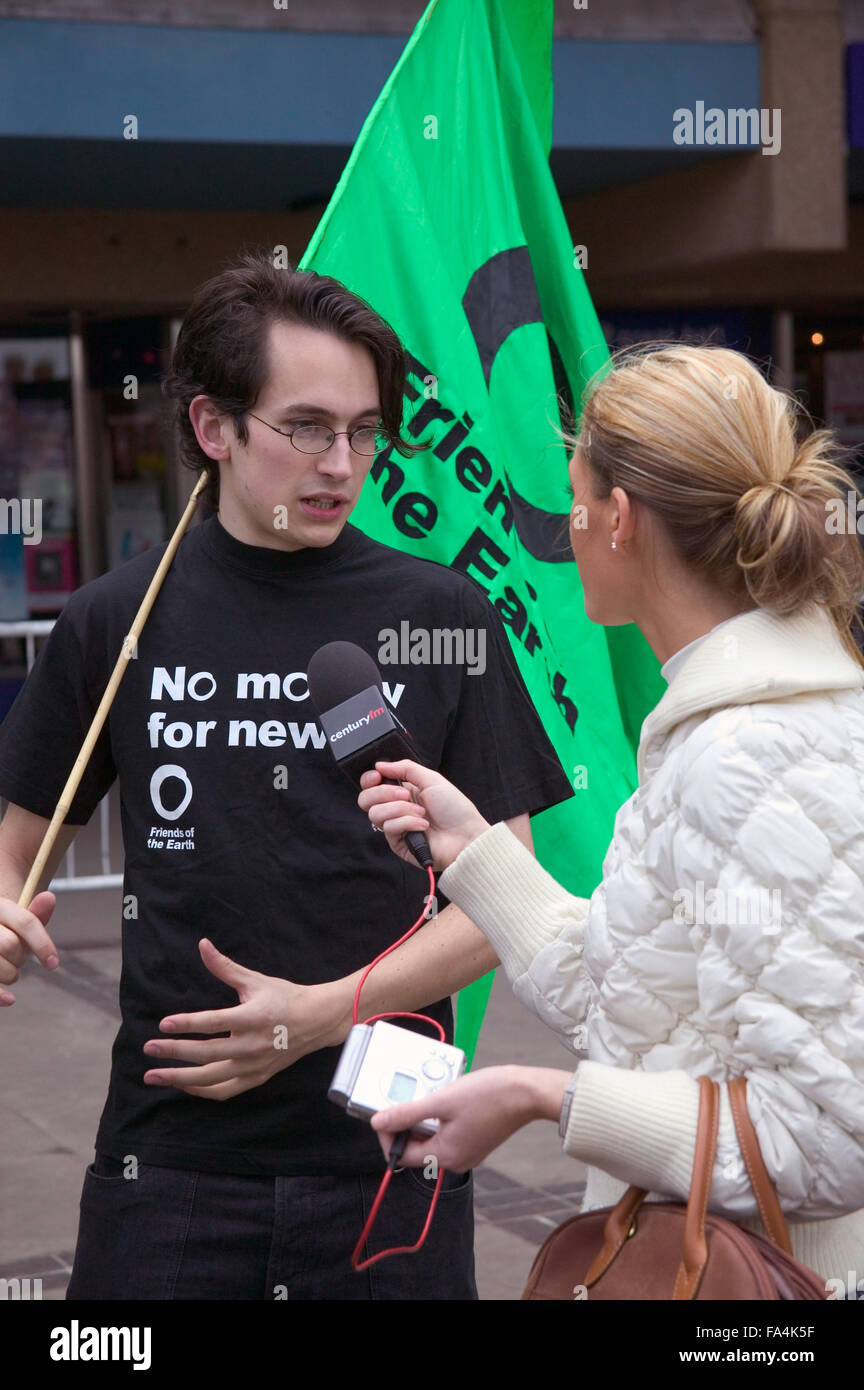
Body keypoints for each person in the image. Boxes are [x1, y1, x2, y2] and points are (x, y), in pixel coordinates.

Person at [0, 250, 573, 1300]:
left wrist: (316, 1014)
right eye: (306, 427)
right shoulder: (112, 620)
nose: (342, 463)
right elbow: (14, 851)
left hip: (391, 1147)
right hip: (164, 1168)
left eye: (363, 431)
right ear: (214, 427)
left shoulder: (444, 615)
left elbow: (506, 905)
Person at [359, 342, 864, 1289]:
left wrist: (536, 1097)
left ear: (621, 519)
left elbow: (830, 1136)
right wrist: (474, 850)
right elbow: (626, 1002)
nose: (566, 524)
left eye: (574, 496)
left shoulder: (742, 751)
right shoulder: (730, 722)